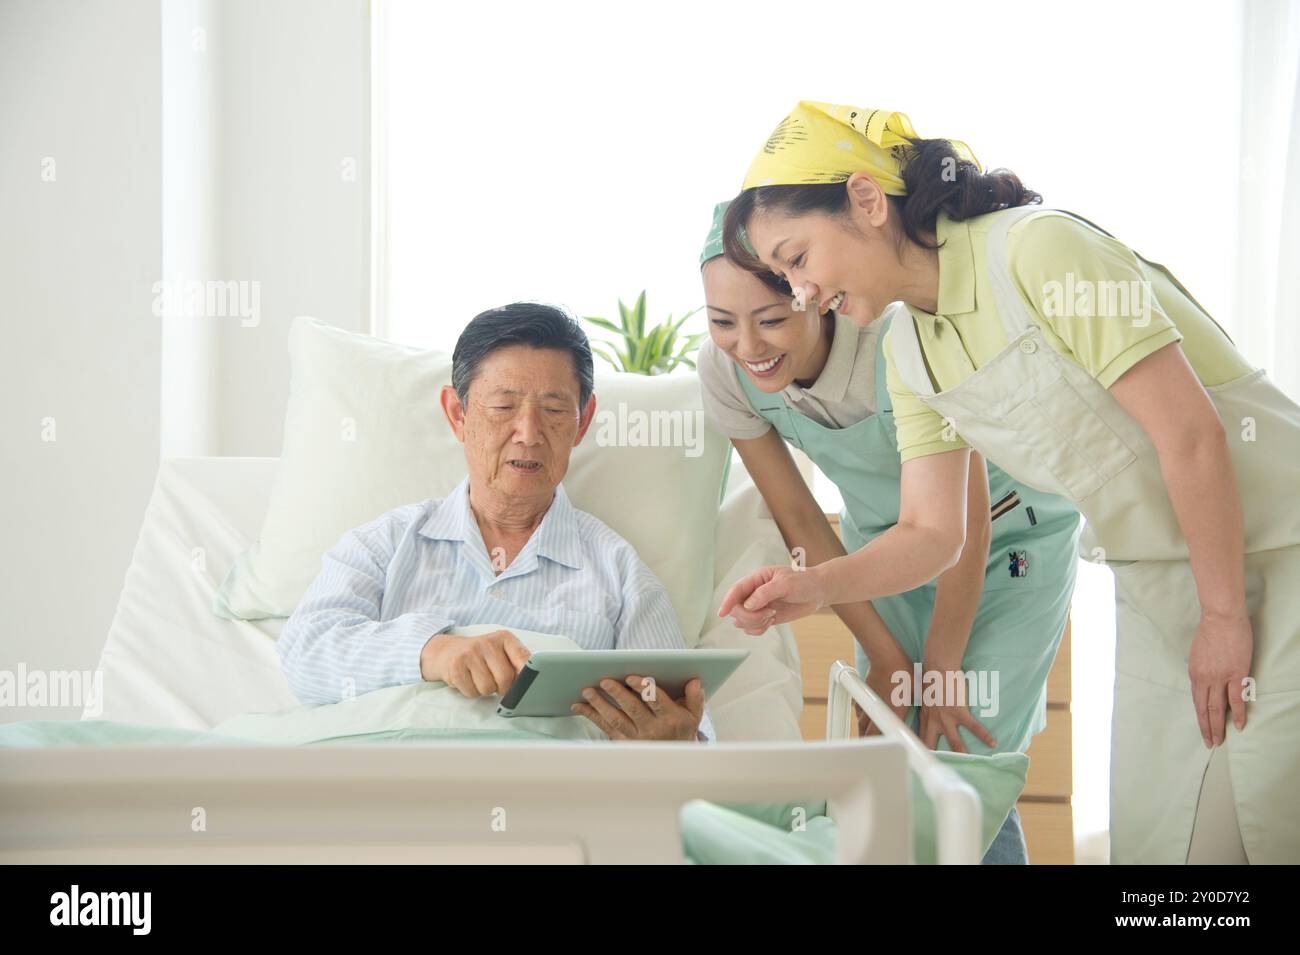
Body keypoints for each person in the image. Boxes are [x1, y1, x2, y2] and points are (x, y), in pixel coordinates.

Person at [718, 101, 1300, 863]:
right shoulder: (911, 352)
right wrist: (816, 587)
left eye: (797, 259)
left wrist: (1224, 614)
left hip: (1273, 556)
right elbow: (932, 534)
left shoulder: (1037, 249)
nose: (799, 292)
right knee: (1169, 853)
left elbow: (1190, 434)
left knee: (1266, 826)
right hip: (1159, 584)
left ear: (865, 200)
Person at [699, 199, 1079, 863]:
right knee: (906, 747)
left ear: (812, 295)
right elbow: (800, 518)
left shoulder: (897, 343)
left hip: (1008, 537)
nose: (748, 346)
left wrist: (943, 664)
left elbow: (958, 525)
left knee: (963, 746)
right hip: (888, 551)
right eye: (722, 321)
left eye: (770, 319)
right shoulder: (725, 372)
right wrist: (889, 653)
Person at [278, 302, 714, 742]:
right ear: (457, 414)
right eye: (504, 406)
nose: (528, 432)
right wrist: (434, 651)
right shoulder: (383, 546)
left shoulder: (622, 575)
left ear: (582, 422)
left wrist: (678, 744)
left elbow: (688, 725)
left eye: (554, 410)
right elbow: (304, 654)